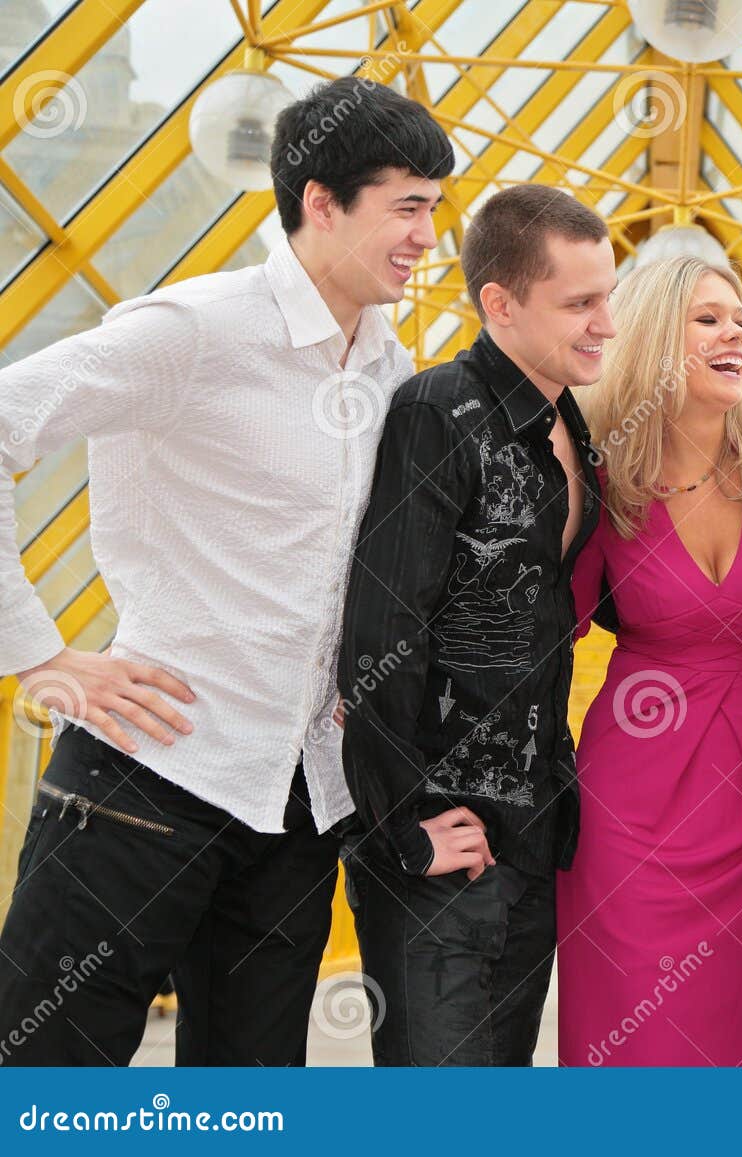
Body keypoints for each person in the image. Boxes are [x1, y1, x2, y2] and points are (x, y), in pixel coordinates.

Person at [0, 77, 452, 1065]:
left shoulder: (389, 369)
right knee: (45, 1077)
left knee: (250, 1099)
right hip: (148, 773)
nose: (428, 235)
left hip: (296, 802)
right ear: (322, 202)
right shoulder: (193, 329)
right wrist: (37, 654)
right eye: (408, 206)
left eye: (435, 207)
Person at [337, 184, 616, 1066]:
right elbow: (382, 632)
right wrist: (401, 826)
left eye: (608, 296)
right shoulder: (437, 411)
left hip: (531, 834)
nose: (606, 324)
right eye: (579, 303)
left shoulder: (575, 427)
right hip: (439, 840)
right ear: (501, 303)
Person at [556, 254, 742, 1067]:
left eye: (740, 318)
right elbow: (544, 633)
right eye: (707, 319)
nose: (734, 332)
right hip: (631, 812)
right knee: (639, 1041)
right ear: (649, 340)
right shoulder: (604, 479)